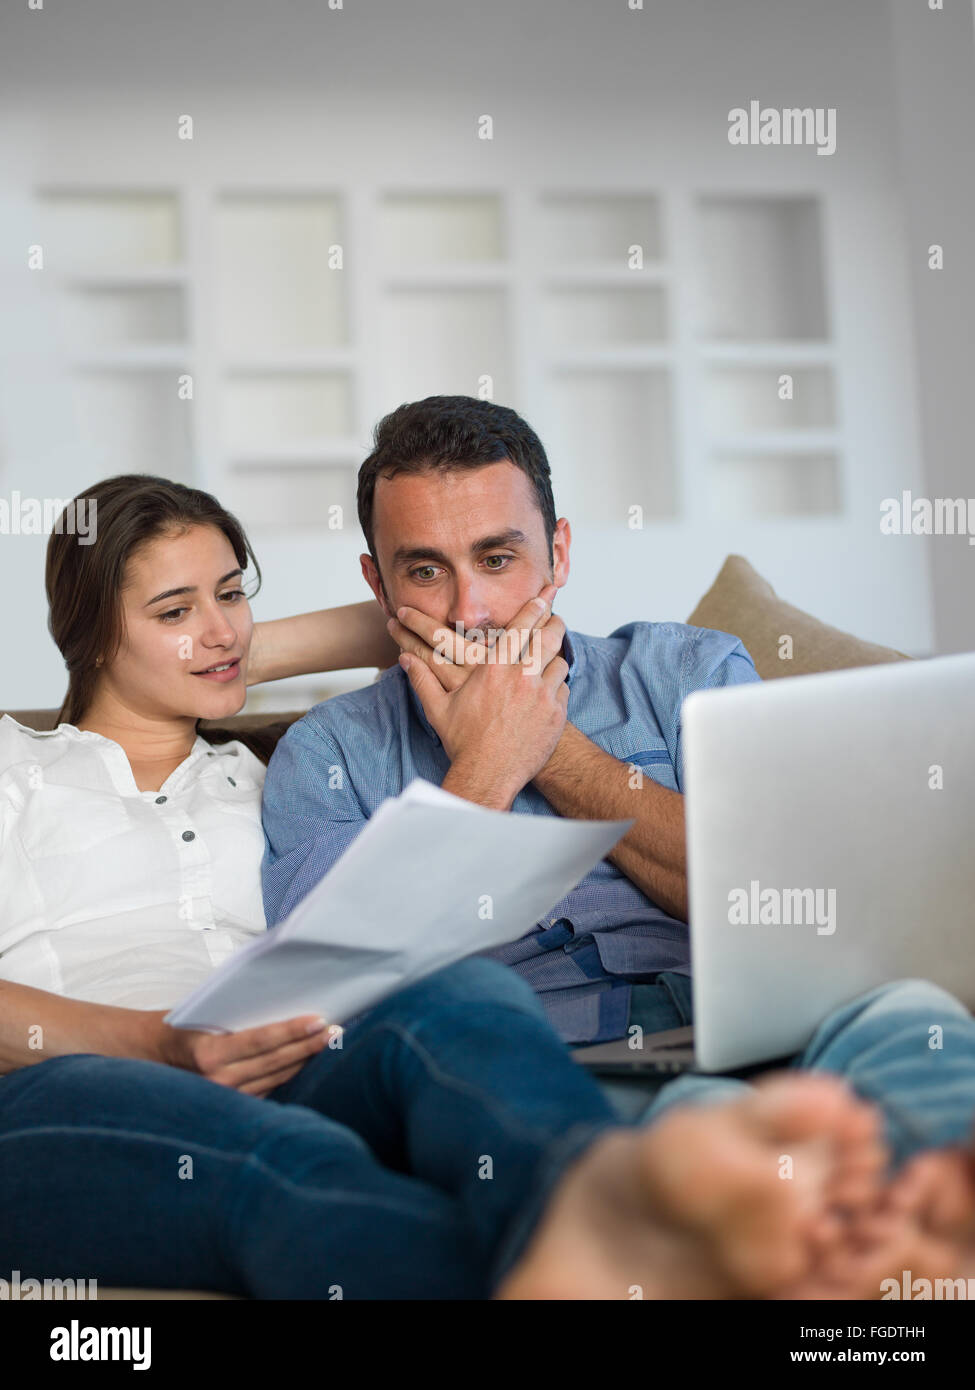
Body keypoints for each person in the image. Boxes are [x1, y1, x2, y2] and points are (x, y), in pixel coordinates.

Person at [0, 471, 894, 1300]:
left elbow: (439, 612)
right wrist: (160, 1043)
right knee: (295, 1167)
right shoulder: (14, 766)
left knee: (466, 993)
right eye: (173, 608)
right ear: (89, 632)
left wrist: (201, 648)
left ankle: (602, 1206)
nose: (224, 629)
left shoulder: (265, 777)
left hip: (292, 1066)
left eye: (233, 594)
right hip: (77, 1085)